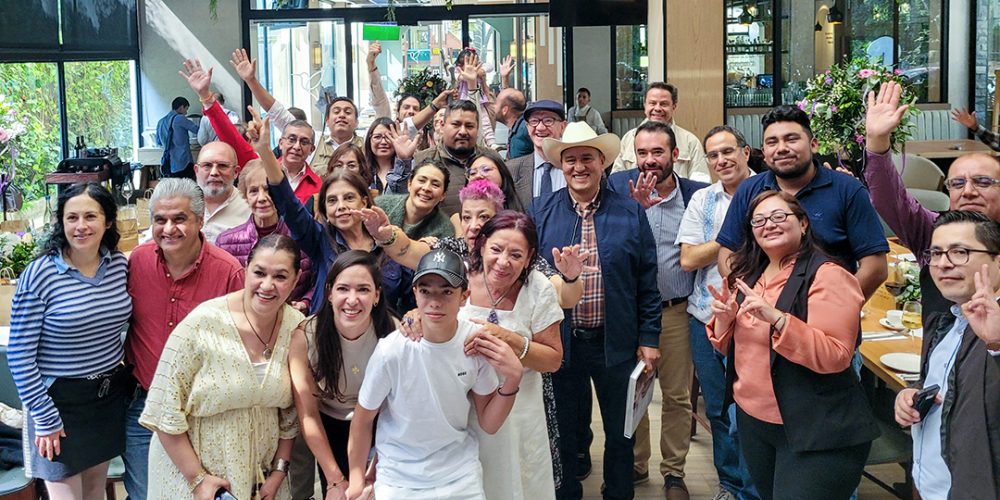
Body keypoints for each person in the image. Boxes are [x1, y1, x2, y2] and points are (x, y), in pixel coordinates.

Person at [707, 191, 879, 499]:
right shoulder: (750, 274)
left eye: (778, 217)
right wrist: (725, 319)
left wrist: (779, 320)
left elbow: (836, 355)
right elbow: (730, 350)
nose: (768, 225)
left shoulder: (829, 275)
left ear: (802, 224)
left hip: (815, 426)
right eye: (758, 220)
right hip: (755, 421)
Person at [529, 122, 661, 499]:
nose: (578, 166)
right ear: (561, 165)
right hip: (561, 343)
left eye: (587, 157)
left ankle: (618, 493)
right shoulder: (541, 212)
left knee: (622, 433)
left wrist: (649, 338)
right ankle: (566, 492)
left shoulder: (629, 213)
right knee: (565, 430)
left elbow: (647, 282)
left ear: (602, 162)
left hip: (616, 342)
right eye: (570, 159)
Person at [345, 249, 523, 499]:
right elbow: (362, 420)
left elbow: (489, 423)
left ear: (464, 296)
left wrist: (513, 378)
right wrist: (356, 480)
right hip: (399, 477)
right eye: (426, 290)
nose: (435, 301)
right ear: (415, 293)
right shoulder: (392, 350)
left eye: (447, 291)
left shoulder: (474, 344)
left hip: (459, 475)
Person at [139, 234, 304, 500]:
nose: (267, 285)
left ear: (296, 280)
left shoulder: (296, 327)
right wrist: (198, 480)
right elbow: (163, 410)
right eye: (259, 273)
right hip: (196, 482)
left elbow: (290, 417)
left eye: (281, 277)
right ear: (246, 271)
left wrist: (277, 474)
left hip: (262, 485)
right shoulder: (202, 324)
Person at [9, 183, 133, 499]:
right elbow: (20, 355)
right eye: (71, 217)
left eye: (90, 216)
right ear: (60, 222)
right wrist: (45, 417)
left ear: (107, 221)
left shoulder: (118, 265)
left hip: (104, 398)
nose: (80, 226)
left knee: (95, 493)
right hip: (56, 402)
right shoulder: (40, 274)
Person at [123, 178, 245, 500]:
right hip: (144, 406)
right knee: (146, 494)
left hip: (200, 412)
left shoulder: (228, 272)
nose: (168, 228)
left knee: (200, 492)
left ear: (200, 220)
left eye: (179, 219)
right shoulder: (136, 262)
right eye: (160, 220)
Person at [607, 120, 708, 498]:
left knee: (677, 395)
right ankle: (636, 463)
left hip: (676, 310)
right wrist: (630, 210)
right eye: (643, 153)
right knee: (634, 390)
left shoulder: (696, 195)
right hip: (627, 312)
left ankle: (674, 471)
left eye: (658, 153)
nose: (649, 161)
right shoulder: (619, 188)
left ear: (675, 155)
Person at [247, 107, 413, 316]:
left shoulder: (389, 241)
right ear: (325, 208)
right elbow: (288, 203)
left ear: (364, 201)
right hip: (327, 338)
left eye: (349, 198)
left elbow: (411, 296)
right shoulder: (320, 240)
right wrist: (264, 151)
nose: (341, 206)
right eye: (332, 200)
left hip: (382, 340)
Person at [716, 104, 889, 302]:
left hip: (828, 322)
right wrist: (748, 299)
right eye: (772, 142)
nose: (781, 149)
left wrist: (839, 308)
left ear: (813, 144)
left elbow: (875, 267)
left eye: (791, 139)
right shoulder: (749, 190)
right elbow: (727, 254)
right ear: (764, 151)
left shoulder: (847, 189)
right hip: (760, 318)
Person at [864, 81, 1000, 318]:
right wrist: (877, 140)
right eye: (957, 183)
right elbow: (891, 199)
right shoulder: (932, 231)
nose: (968, 191)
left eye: (982, 182)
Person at [675, 125, 757, 500]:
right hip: (706, 316)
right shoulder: (703, 200)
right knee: (720, 410)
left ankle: (756, 486)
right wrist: (732, 232)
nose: (721, 160)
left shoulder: (770, 192)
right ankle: (730, 484)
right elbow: (689, 258)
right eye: (713, 155)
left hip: (759, 320)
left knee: (755, 411)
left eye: (728, 151)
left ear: (746, 152)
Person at [894, 210, 1000, 500]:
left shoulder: (994, 329)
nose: (943, 264)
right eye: (937, 253)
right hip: (934, 487)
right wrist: (911, 396)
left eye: (960, 252)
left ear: (997, 260)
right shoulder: (948, 320)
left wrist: (997, 344)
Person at [359, 179, 588, 309]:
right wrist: (387, 235)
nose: (474, 225)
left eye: (484, 217)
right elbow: (409, 250)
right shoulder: (453, 250)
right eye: (467, 217)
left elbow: (563, 297)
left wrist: (570, 278)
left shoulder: (520, 258)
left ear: (500, 217)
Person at [287, 251, 399, 498]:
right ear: (329, 293)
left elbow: (401, 407)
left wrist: (378, 464)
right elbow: (308, 414)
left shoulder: (393, 334)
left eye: (363, 290)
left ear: (377, 295)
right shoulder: (305, 337)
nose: (352, 300)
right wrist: (335, 479)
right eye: (343, 289)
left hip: (380, 426)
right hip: (328, 425)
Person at [231, 48, 363, 175]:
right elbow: (277, 112)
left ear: (357, 122)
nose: (341, 115)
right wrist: (251, 81)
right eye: (336, 111)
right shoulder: (312, 141)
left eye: (347, 112)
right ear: (327, 120)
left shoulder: (368, 145)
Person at [216, 160, 315, 310]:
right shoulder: (225, 242)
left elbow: (318, 281)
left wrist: (305, 302)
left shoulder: (303, 237)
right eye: (254, 191)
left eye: (268, 190)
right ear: (245, 196)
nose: (261, 198)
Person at [611, 82, 709, 182]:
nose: (657, 108)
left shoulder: (690, 142)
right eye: (652, 103)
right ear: (645, 105)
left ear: (674, 106)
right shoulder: (628, 138)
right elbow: (617, 181)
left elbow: (701, 184)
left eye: (664, 104)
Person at [413, 100, 495, 216]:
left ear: (477, 129)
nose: (463, 132)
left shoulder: (492, 159)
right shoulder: (421, 160)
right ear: (442, 126)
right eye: (456, 125)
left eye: (469, 126)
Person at [507, 100, 569, 209]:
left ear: (563, 127)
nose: (540, 127)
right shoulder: (511, 170)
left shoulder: (578, 169)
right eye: (534, 121)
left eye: (548, 121)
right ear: (527, 126)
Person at [374, 161, 456, 241]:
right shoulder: (380, 205)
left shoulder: (444, 230)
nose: (426, 188)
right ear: (409, 184)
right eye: (421, 181)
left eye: (435, 185)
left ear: (443, 195)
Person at [156, 96, 199, 179]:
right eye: (186, 109)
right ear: (181, 107)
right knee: (188, 187)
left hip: (168, 162)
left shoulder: (160, 122)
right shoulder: (180, 118)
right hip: (183, 162)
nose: (186, 113)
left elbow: (158, 142)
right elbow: (197, 130)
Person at [494, 88, 532, 159]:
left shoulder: (525, 129)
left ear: (505, 110)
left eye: (495, 103)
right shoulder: (518, 126)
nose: (493, 107)